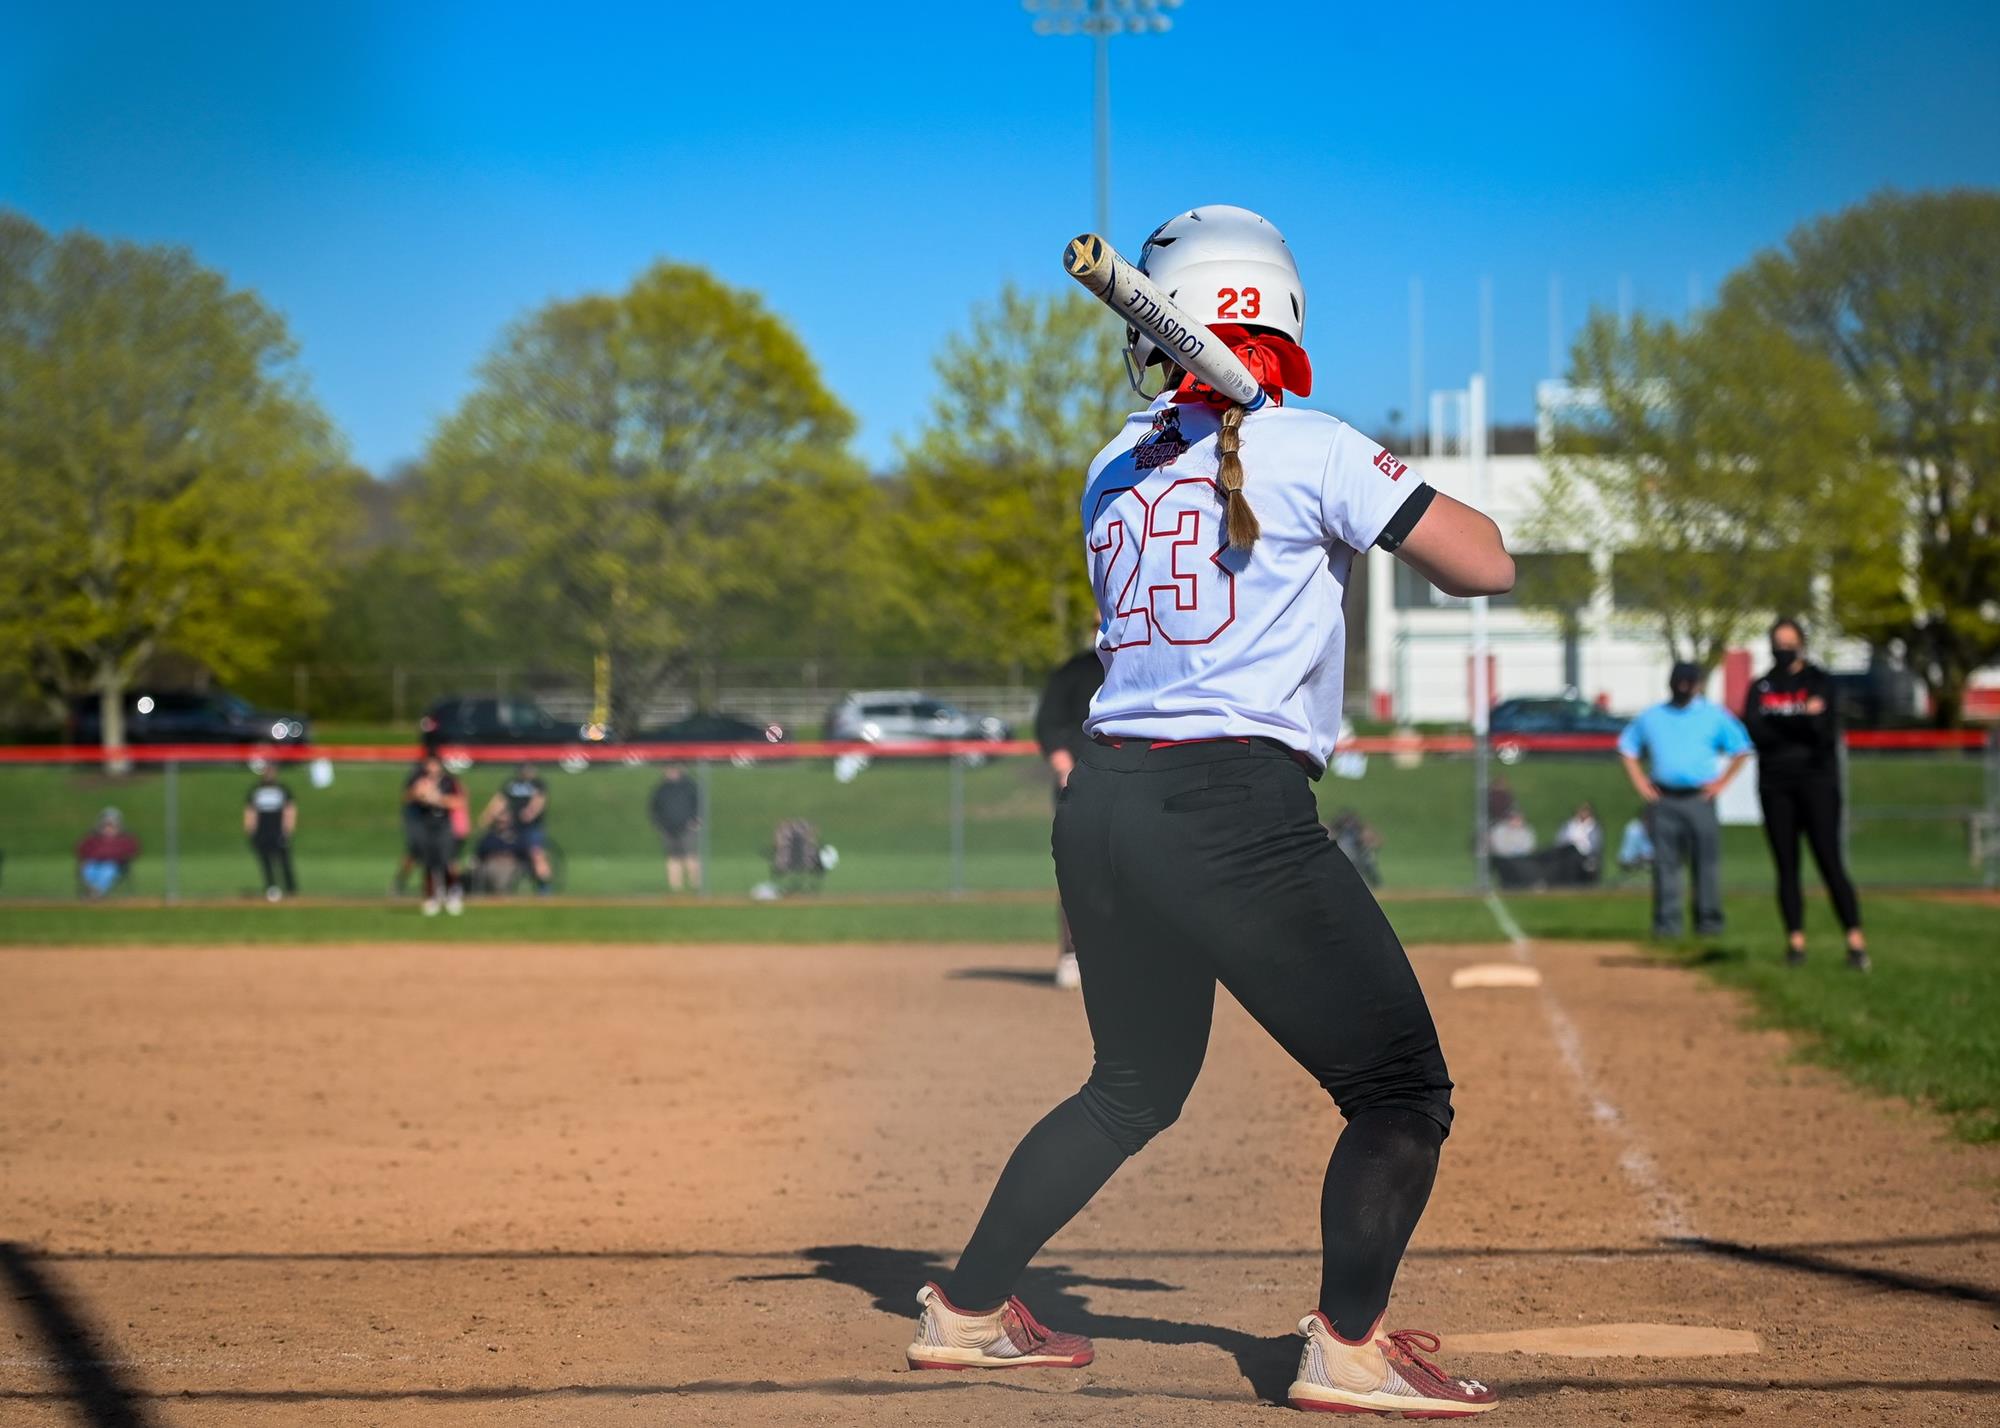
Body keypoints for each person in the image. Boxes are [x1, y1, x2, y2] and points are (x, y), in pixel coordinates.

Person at [908, 206, 1512, 1417]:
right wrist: (1360, 476)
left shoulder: (1111, 466)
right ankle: (1347, 1347)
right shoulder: (1311, 445)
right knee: (1398, 1092)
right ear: (1283, 317)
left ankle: (966, 1312)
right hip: (1226, 804)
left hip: (1105, 802)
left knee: (1131, 1084)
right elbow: (1482, 561)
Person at [1743, 618, 1868, 970]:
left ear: (1802, 643)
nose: (1783, 649)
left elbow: (1822, 731)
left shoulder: (1820, 681)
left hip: (1817, 783)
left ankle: (1855, 942)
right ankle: (1795, 943)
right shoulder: (1762, 685)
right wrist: (1801, 717)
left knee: (1830, 863)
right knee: (1786, 868)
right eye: (1777, 643)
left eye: (1789, 642)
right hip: (1775, 784)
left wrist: (1783, 720)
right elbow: (1756, 730)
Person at [1617, 662, 1751, 939]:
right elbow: (1627, 747)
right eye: (1679, 682)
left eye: (1689, 682)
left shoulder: (1713, 715)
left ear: (1698, 684)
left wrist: (1723, 782)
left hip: (1699, 799)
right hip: (1664, 800)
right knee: (1665, 865)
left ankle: (1709, 925)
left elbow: (1742, 748)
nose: (1684, 687)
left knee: (1706, 865)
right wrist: (1640, 782)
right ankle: (1667, 927)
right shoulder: (1653, 716)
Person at [1034, 648, 1106, 990]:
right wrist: (1064, 768)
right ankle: (1072, 954)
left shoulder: (1143, 661)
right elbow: (1048, 723)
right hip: (1079, 783)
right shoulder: (1075, 670)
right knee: (1079, 872)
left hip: (1135, 781)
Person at [403, 752, 465, 916]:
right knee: (429, 862)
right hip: (425, 824)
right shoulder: (419, 780)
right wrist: (419, 794)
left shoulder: (448, 782)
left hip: (443, 824)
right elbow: (407, 797)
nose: (431, 768)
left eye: (434, 764)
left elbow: (458, 802)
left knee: (447, 860)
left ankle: (452, 893)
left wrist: (437, 798)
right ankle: (431, 896)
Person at [483, 763, 552, 894]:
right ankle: (503, 888)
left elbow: (539, 801)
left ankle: (545, 889)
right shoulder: (511, 784)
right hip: (514, 828)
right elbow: (499, 801)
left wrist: (530, 812)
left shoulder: (538, 784)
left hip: (532, 828)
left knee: (537, 855)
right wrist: (488, 815)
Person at [243, 766, 298, 901]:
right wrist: (250, 828)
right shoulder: (256, 790)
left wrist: (288, 828)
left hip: (278, 831)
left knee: (284, 861)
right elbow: (250, 810)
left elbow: (290, 809)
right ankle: (271, 887)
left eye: (272, 771)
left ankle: (291, 889)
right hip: (262, 832)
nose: (269, 774)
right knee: (265, 861)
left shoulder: (282, 790)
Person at [649, 765, 702, 892]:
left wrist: (697, 819)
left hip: (688, 827)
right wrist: (658, 823)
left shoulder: (690, 786)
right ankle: (675, 887)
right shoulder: (661, 788)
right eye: (668, 769)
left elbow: (699, 804)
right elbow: (653, 807)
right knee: (673, 857)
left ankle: (696, 884)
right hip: (667, 828)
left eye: (673, 769)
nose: (670, 771)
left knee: (690, 855)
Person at [76, 808, 139, 899]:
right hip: (94, 862)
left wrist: (116, 857)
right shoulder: (94, 838)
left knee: (108, 869)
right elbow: (81, 849)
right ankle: (92, 890)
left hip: (115, 865)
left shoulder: (125, 839)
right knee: (89, 868)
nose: (108, 828)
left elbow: (132, 851)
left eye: (112, 826)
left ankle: (96, 892)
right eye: (106, 825)